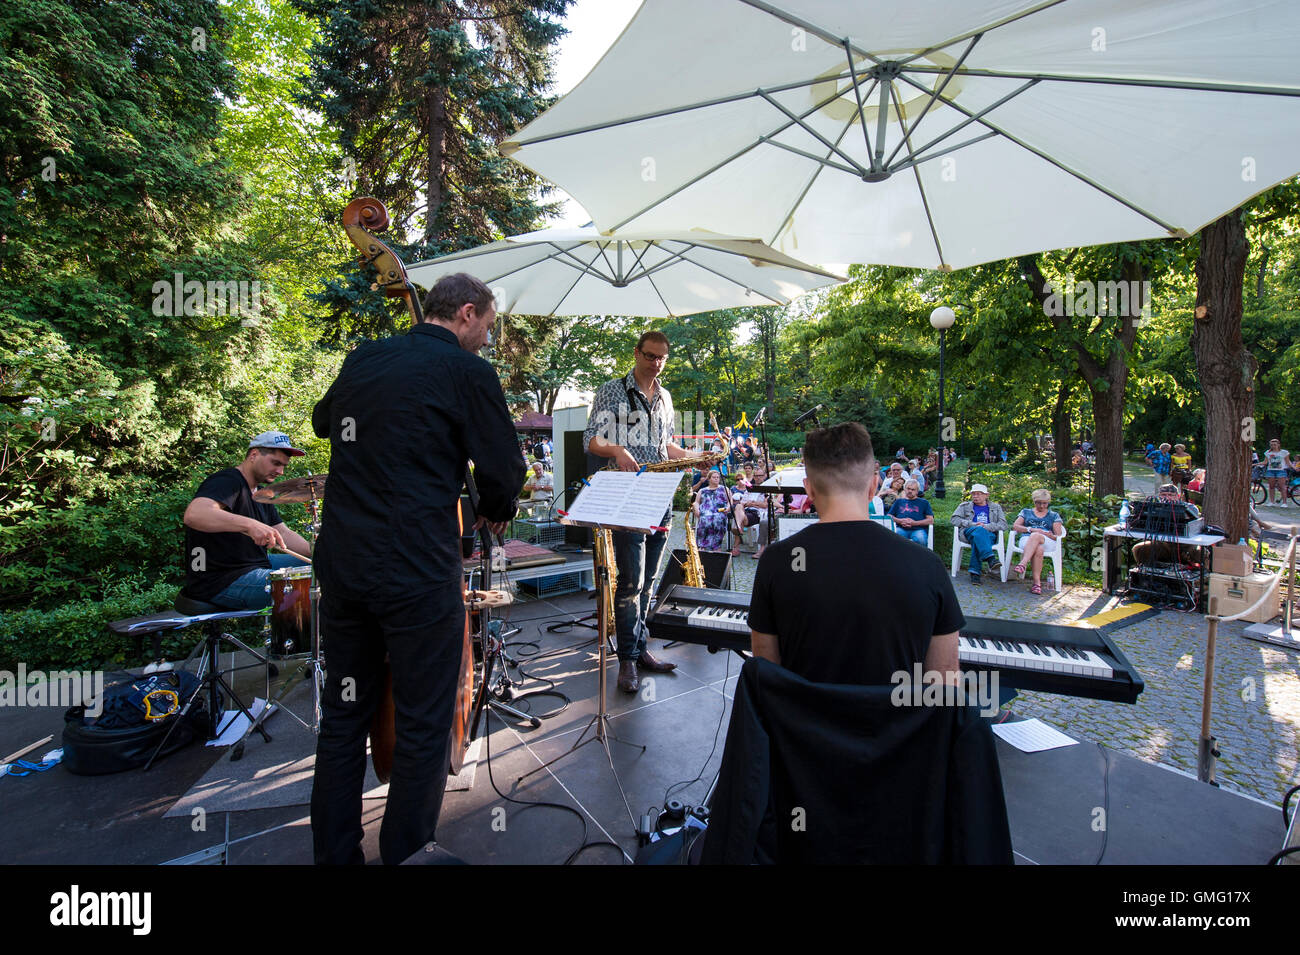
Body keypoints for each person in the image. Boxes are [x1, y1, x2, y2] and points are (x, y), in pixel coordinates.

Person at [309, 273, 525, 866]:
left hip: (345, 566)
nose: (487, 338)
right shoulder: (467, 371)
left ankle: (335, 858)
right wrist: (494, 508)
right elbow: (505, 470)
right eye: (487, 326)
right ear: (466, 313)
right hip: (416, 569)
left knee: (343, 718)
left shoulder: (364, 357)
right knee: (424, 722)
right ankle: (406, 854)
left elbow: (324, 422)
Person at [747, 422, 964, 685]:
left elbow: (767, 674)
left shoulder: (776, 561)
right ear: (873, 485)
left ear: (809, 489)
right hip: (897, 713)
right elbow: (944, 683)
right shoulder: (928, 565)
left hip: (800, 713)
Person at [584, 330, 688, 693]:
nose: (656, 363)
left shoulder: (666, 397)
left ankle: (640, 649)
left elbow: (666, 445)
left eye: (662, 358)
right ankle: (627, 659)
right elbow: (591, 439)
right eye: (649, 356)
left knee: (650, 582)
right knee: (631, 581)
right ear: (636, 353)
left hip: (661, 498)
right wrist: (616, 450)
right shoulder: (611, 390)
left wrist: (694, 457)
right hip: (628, 498)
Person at [179, 430, 313, 610]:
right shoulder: (227, 481)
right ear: (254, 455)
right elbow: (195, 514)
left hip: (256, 564)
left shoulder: (261, 493)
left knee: (327, 567)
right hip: (222, 579)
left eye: (283, 466)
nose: (280, 471)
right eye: (275, 463)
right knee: (321, 586)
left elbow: (283, 532)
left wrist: (319, 551)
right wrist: (250, 525)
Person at [1126, 483, 1200, 565]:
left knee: (1200, 553)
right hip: (1163, 544)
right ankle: (1146, 570)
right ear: (1159, 496)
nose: (1167, 498)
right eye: (1163, 495)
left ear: (1178, 496)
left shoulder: (1190, 507)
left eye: (1171, 495)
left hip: (1186, 545)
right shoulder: (1153, 508)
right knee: (1138, 548)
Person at [949, 483, 1007, 585]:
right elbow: (954, 520)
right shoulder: (964, 506)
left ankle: (975, 574)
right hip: (969, 532)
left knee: (978, 538)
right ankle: (990, 558)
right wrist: (972, 524)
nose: (975, 496)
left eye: (979, 494)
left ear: (986, 495)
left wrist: (987, 526)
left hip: (989, 534)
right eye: (973, 494)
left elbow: (1003, 525)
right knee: (978, 531)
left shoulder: (995, 507)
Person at [1010, 489, 1065, 595]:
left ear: (1048, 502)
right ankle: (1037, 584)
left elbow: (1058, 536)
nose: (1042, 506)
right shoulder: (1026, 512)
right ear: (1034, 501)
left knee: (1036, 536)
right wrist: (1031, 529)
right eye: (1039, 503)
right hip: (1027, 539)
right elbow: (1015, 526)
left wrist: (1049, 535)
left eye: (1045, 503)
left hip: (1047, 540)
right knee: (1038, 548)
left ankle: (1023, 563)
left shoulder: (1053, 515)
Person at [692, 468, 732, 552]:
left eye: (717, 477)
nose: (716, 479)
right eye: (714, 477)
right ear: (709, 479)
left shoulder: (724, 489)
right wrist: (696, 509)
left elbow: (730, 502)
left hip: (720, 511)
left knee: (717, 519)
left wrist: (728, 508)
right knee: (705, 519)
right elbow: (696, 502)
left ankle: (716, 546)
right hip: (705, 512)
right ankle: (702, 545)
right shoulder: (702, 490)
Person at [888, 479, 934, 547]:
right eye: (908, 489)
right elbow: (889, 516)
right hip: (901, 528)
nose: (910, 491)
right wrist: (900, 521)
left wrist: (914, 523)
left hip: (918, 529)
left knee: (920, 539)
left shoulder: (924, 503)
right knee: (894, 537)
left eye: (913, 489)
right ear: (904, 489)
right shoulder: (899, 501)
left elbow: (930, 520)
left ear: (917, 491)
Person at [1263, 438, 1293, 506]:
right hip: (1270, 470)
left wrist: (1294, 467)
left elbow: (1288, 462)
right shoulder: (1268, 452)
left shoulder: (1284, 452)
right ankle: (1271, 502)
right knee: (1271, 486)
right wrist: (1255, 464)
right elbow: (1265, 462)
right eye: (1271, 445)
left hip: (1281, 471)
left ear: (1278, 445)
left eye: (1275, 445)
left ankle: (1284, 503)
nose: (1273, 446)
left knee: (1282, 487)